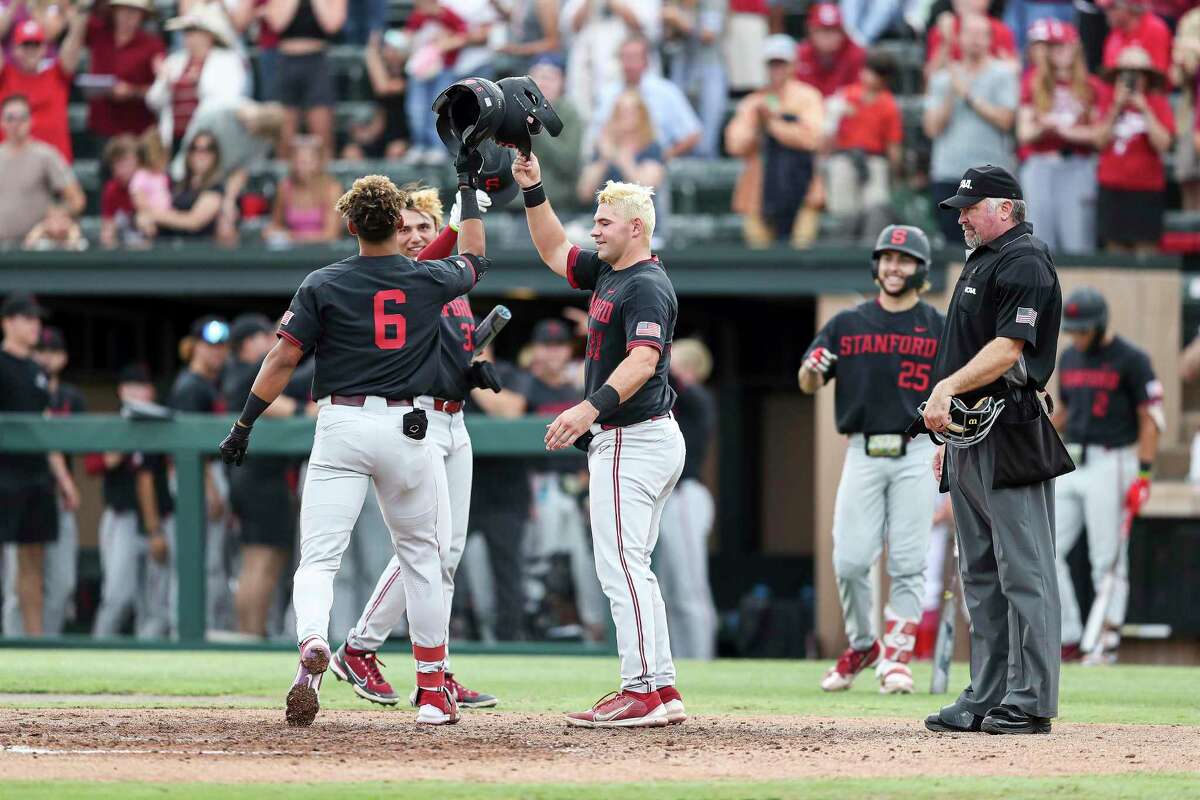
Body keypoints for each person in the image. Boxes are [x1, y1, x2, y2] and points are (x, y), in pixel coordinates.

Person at [217, 174, 490, 728]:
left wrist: (245, 423)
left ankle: (315, 639)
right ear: (396, 224)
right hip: (409, 427)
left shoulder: (323, 282)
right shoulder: (425, 278)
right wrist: (466, 191)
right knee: (423, 558)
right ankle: (434, 692)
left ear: (349, 225)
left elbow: (280, 361)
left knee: (319, 556)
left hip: (341, 422)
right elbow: (476, 260)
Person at [513, 151, 687, 729]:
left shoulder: (645, 283)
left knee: (621, 567)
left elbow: (643, 360)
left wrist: (587, 407)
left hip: (630, 436)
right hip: (643, 436)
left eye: (604, 221)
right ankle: (659, 686)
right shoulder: (614, 273)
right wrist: (534, 188)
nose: (595, 229)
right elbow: (552, 250)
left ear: (635, 227)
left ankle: (640, 688)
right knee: (634, 565)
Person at [329, 184, 501, 711]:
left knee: (445, 553)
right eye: (403, 227)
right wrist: (457, 220)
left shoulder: (446, 283)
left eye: (423, 227)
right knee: (426, 548)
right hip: (415, 421)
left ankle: (436, 669)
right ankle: (361, 647)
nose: (414, 236)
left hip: (454, 420)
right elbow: (428, 263)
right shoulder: (407, 277)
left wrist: (468, 372)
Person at [920, 165, 1066, 735]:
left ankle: (1031, 700)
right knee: (978, 572)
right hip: (971, 433)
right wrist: (949, 429)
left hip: (1010, 430)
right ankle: (988, 693)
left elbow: (1009, 350)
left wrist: (945, 390)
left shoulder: (1025, 258)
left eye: (970, 205)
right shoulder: (985, 257)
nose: (960, 215)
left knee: (1025, 570)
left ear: (1006, 207)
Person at [800, 225, 944, 694]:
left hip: (918, 449)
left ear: (920, 269)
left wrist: (949, 446)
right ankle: (864, 644)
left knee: (907, 559)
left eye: (903, 260)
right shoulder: (847, 322)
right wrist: (811, 369)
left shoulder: (937, 324)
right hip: (863, 448)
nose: (893, 267)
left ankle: (898, 657)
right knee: (849, 560)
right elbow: (807, 381)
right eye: (887, 258)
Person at [1052, 288, 1161, 665]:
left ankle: (1104, 641)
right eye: (1074, 329)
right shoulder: (1068, 357)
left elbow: (1151, 419)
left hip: (1113, 460)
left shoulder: (1132, 359)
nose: (1078, 336)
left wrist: (1144, 476)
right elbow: (1064, 411)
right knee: (1046, 548)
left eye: (1084, 329)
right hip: (1073, 458)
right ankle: (1068, 636)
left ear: (1100, 326)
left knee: (1108, 559)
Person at [516, 318, 607, 644]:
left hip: (579, 482)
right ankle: (535, 619)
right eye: (546, 346)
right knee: (542, 559)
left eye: (558, 347)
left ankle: (589, 626)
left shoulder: (577, 390)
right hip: (539, 482)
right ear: (535, 350)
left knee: (584, 561)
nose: (552, 354)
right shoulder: (524, 387)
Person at [222, 313, 309, 638]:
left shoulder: (239, 371)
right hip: (258, 478)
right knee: (261, 561)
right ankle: (250, 635)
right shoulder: (246, 372)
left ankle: (250, 633)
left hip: (254, 477)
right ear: (246, 343)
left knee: (262, 561)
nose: (269, 340)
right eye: (262, 336)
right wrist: (304, 411)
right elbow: (280, 406)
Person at [0, 293, 78, 637]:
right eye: (27, 319)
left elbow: (45, 425)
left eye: (37, 319)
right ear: (8, 322)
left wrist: (64, 479)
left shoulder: (37, 370)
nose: (35, 325)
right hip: (5, 475)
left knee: (33, 562)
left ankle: (34, 641)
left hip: (36, 477)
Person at [90, 364, 176, 638]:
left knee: (156, 604)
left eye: (142, 387)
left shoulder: (161, 425)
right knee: (117, 597)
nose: (136, 392)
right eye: (130, 387)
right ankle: (93, 658)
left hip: (159, 519)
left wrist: (155, 529)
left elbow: (155, 477)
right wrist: (115, 452)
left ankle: (147, 666)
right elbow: (93, 465)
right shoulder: (114, 425)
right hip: (122, 517)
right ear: (121, 391)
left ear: (151, 391)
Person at [923, 14, 1019, 243]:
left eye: (981, 34)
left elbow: (1006, 120)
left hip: (990, 177)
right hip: (949, 172)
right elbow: (931, 128)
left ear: (989, 40)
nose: (975, 39)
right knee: (952, 244)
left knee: (992, 244)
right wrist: (951, 91)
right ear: (960, 38)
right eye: (969, 33)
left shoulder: (1003, 74)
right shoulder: (943, 78)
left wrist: (968, 96)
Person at [725, 35, 824, 246]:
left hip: (802, 189)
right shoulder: (754, 101)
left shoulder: (807, 97)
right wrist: (759, 130)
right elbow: (734, 143)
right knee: (760, 260)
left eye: (782, 63)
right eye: (772, 63)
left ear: (793, 65)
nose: (777, 69)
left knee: (801, 253)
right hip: (759, 192)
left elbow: (812, 138)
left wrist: (772, 124)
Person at [654, 337, 717, 660]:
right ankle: (676, 661)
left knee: (690, 589)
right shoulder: (668, 398)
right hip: (663, 499)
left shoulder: (699, 398)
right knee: (666, 589)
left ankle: (700, 660)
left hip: (685, 497)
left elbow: (670, 377)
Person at [169, 316, 233, 633]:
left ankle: (201, 628)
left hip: (208, 476)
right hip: (197, 477)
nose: (217, 353)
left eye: (221, 347)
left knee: (211, 563)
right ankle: (188, 630)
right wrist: (210, 489)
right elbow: (187, 448)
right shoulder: (189, 386)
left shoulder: (208, 384)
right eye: (210, 346)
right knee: (196, 562)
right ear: (195, 347)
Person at [1016, 20, 1102, 254]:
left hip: (1077, 164)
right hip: (1041, 163)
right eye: (1054, 46)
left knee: (1078, 242)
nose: (1060, 52)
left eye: (1065, 45)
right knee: (1040, 243)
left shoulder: (1091, 85)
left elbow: (1100, 135)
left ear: (1076, 48)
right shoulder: (1033, 82)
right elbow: (1024, 133)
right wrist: (1044, 127)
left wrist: (1066, 132)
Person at [1095, 45, 1174, 254]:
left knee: (1146, 253)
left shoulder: (1158, 102)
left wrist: (1145, 109)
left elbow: (1163, 144)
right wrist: (1116, 108)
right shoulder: (1107, 100)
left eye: (1138, 74)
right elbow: (1099, 141)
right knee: (1115, 255)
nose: (1132, 79)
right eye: (1126, 73)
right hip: (1113, 188)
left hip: (1146, 190)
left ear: (1147, 77)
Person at [823, 50, 903, 241]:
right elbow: (828, 137)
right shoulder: (846, 97)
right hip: (845, 158)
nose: (870, 76)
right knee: (844, 214)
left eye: (876, 73)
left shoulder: (888, 104)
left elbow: (893, 146)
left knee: (876, 211)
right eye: (869, 70)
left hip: (874, 160)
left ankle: (871, 254)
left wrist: (896, 173)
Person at [147, 5, 249, 151]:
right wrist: (164, 81)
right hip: (175, 138)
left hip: (211, 140)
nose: (188, 37)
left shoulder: (228, 61)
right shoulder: (175, 61)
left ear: (210, 34)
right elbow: (153, 102)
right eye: (186, 31)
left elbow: (228, 102)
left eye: (194, 31)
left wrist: (197, 84)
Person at [588, 36, 702, 162]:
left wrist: (664, 157)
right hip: (614, 162)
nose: (628, 64)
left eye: (633, 57)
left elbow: (693, 134)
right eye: (624, 57)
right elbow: (596, 134)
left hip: (656, 163)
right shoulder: (607, 93)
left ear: (646, 61)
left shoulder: (667, 91)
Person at [260, 0, 346, 158]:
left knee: (322, 135)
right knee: (284, 136)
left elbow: (332, 25)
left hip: (317, 61)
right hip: (286, 61)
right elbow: (278, 23)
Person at [0, 13, 86, 162]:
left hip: (54, 165)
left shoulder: (57, 73)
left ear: (44, 49)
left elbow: (72, 48)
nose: (30, 50)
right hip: (12, 163)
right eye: (25, 45)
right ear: (14, 50)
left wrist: (77, 24)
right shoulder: (5, 75)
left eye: (36, 45)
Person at [0, 94, 84, 245]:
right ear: (2, 122)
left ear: (31, 120)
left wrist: (57, 215)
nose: (16, 123)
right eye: (10, 118)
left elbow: (76, 199)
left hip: (34, 246)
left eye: (22, 117)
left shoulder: (45, 155)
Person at [83, 0, 165, 139]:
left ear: (142, 16)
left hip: (136, 127)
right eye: (123, 10)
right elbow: (81, 17)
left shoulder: (153, 46)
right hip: (102, 123)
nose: (127, 16)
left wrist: (132, 91)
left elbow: (161, 88)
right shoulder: (98, 33)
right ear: (114, 12)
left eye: (134, 12)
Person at [403, 0, 468, 163]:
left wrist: (443, 45)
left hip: (443, 69)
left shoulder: (448, 14)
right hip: (420, 71)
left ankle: (437, 147)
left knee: (439, 108)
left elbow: (462, 36)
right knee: (416, 109)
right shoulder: (417, 17)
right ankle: (419, 145)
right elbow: (408, 37)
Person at [577, 91, 665, 209]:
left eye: (632, 110)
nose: (625, 115)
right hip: (603, 218)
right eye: (620, 110)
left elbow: (645, 191)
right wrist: (604, 160)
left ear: (642, 114)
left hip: (638, 220)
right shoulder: (605, 147)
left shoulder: (651, 147)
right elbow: (584, 193)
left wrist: (623, 160)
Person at [662, 0, 726, 159]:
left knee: (706, 142)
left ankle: (709, 180)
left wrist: (679, 19)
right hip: (682, 69)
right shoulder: (675, 3)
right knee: (680, 134)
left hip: (710, 71)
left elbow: (708, 34)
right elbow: (669, 39)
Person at [137, 131, 225, 241]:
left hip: (197, 251)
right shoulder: (178, 184)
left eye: (208, 149)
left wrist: (153, 216)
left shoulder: (216, 187)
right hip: (166, 247)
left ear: (216, 155)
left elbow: (194, 221)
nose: (200, 154)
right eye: (194, 148)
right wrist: (143, 219)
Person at [529, 55, 584, 213]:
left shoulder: (569, 113)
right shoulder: (513, 109)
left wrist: (537, 129)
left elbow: (569, 164)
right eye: (538, 77)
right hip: (514, 205)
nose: (543, 83)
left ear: (562, 82)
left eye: (550, 78)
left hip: (556, 204)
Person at [262, 135, 342, 244]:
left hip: (324, 253)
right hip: (292, 252)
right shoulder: (285, 187)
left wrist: (292, 237)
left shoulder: (332, 189)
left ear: (319, 163)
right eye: (298, 162)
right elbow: (277, 223)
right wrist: (271, 231)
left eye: (307, 162)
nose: (301, 167)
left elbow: (331, 234)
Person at [343, 29, 409, 161]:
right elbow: (380, 115)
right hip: (381, 133)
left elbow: (383, 87)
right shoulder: (376, 76)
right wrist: (369, 133)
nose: (390, 54)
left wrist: (371, 53)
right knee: (351, 152)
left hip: (402, 136)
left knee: (395, 151)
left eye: (395, 50)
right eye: (388, 50)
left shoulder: (410, 77)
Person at [926, 0, 1018, 77]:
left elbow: (1012, 71)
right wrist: (946, 42)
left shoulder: (1002, 31)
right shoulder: (943, 29)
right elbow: (931, 77)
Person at [795, 3, 866, 98]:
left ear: (842, 32)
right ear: (811, 31)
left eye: (833, 30)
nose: (828, 36)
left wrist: (844, 97)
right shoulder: (800, 53)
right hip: (808, 108)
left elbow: (862, 90)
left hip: (843, 108)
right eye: (822, 30)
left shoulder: (855, 53)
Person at [1171, 5, 1200, 211]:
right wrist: (1183, 65)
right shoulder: (1191, 21)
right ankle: (1193, 239)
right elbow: (1176, 77)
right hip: (1193, 107)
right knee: (1188, 178)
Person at [1100, 0, 1171, 77]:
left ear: (1130, 7)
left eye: (1112, 7)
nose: (1107, 12)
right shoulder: (1114, 35)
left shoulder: (1155, 28)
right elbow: (1109, 78)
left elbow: (1160, 78)